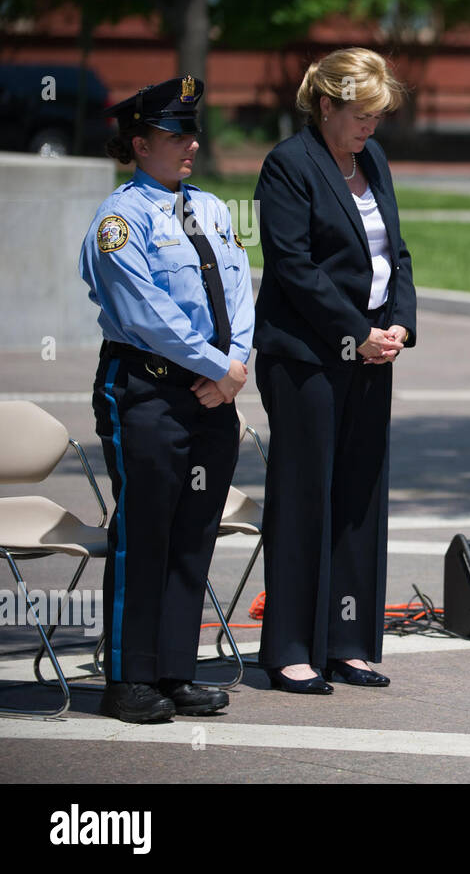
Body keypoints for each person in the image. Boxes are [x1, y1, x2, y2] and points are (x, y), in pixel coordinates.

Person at [79, 76, 254, 722]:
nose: (192, 144)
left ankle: (176, 669)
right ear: (140, 141)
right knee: (144, 532)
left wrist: (237, 364)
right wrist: (221, 368)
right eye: (177, 134)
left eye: (192, 132)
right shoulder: (119, 221)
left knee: (193, 532)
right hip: (148, 388)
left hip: (213, 390)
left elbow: (240, 292)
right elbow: (149, 316)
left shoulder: (209, 207)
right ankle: (128, 677)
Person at [253, 47, 416, 693]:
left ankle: (347, 640)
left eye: (378, 115)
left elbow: (396, 251)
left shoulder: (372, 160)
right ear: (325, 105)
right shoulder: (289, 167)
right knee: (304, 497)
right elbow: (294, 268)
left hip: (375, 353)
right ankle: (291, 647)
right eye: (361, 113)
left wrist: (398, 322)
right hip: (307, 358)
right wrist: (357, 332)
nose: (371, 126)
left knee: (359, 497)